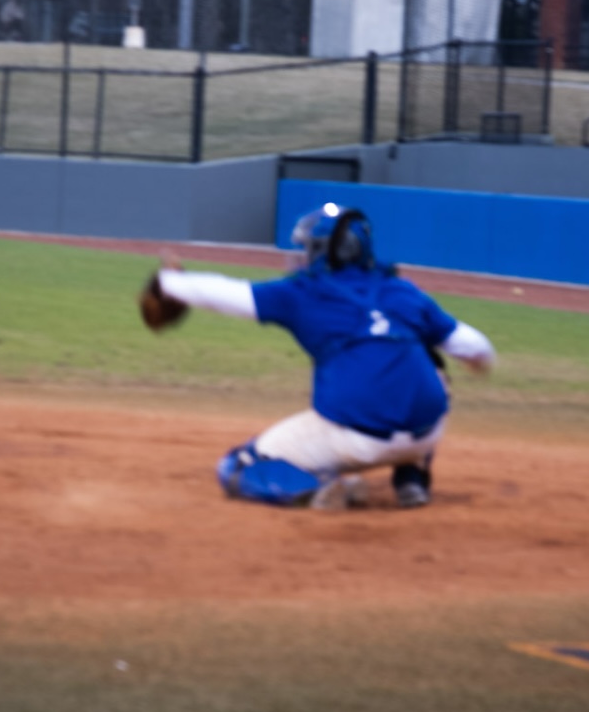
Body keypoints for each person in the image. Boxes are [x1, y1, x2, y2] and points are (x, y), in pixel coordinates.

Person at [151, 202, 496, 509]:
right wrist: (481, 367)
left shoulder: (305, 292)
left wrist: (169, 283)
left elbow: (227, 294)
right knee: (432, 365)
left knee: (237, 468)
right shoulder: (403, 291)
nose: (304, 256)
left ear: (323, 251)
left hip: (359, 439)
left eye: (309, 248)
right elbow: (476, 347)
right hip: (426, 434)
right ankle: (411, 478)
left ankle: (322, 488)